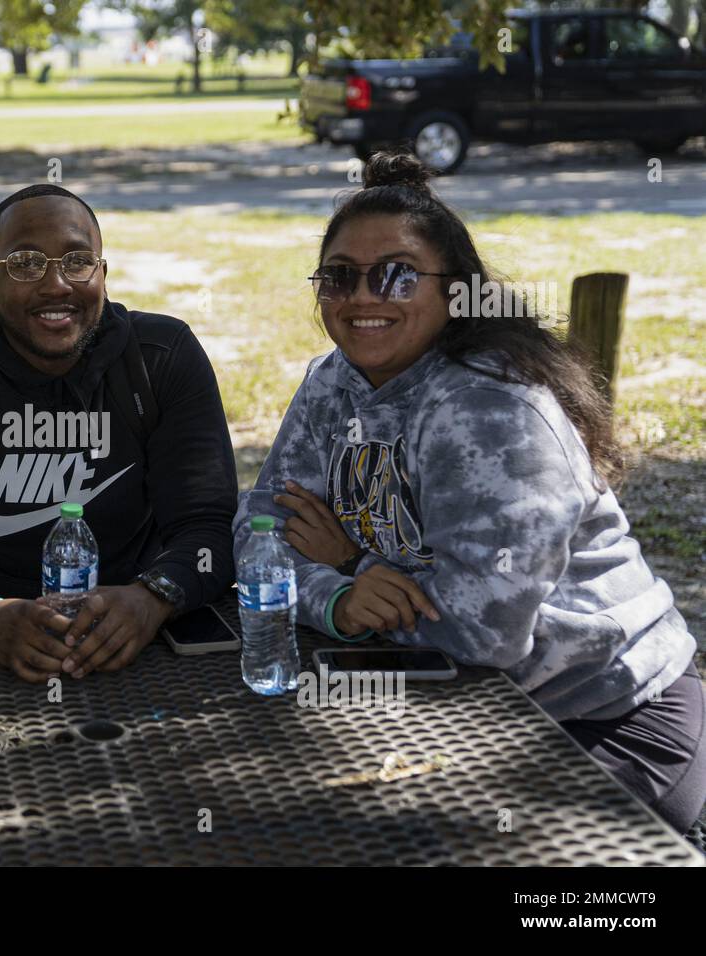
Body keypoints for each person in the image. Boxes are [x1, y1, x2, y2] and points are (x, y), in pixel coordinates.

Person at [235, 151, 705, 833]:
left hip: (607, 718)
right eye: (339, 277)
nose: (364, 296)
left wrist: (350, 562)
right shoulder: (330, 383)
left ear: (454, 292)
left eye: (396, 275)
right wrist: (338, 598)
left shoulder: (492, 409)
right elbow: (254, 530)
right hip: (459, 705)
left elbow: (481, 631)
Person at [0, 184, 237, 682]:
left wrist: (151, 597)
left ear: (103, 274)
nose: (56, 285)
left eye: (77, 261)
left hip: (136, 646)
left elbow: (212, 531)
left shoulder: (162, 356)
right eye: (26, 263)